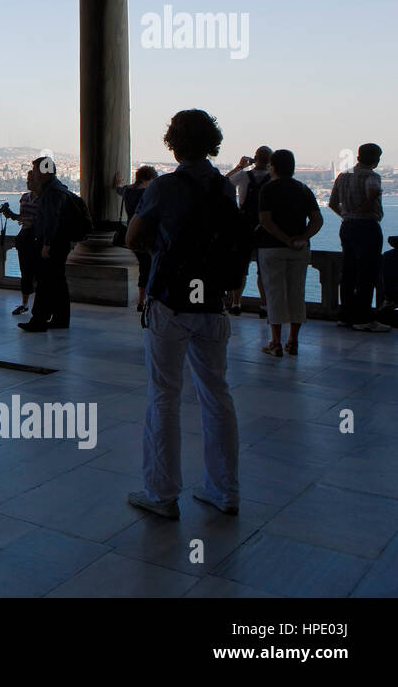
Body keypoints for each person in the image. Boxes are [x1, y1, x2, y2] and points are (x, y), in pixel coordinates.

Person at [126, 109, 240, 519]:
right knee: (217, 395)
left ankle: (162, 493)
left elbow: (132, 236)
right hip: (212, 301)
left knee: (164, 396)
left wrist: (160, 253)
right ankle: (224, 490)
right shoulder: (225, 189)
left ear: (172, 142)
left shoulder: (164, 187)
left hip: (170, 300)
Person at [256, 149, 323, 356]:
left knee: (274, 293)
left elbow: (265, 220)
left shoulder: (268, 189)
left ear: (272, 167)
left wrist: (284, 239)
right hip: (299, 249)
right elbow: (317, 219)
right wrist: (302, 238)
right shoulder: (303, 189)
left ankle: (275, 342)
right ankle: (293, 340)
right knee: (297, 293)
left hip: (271, 248)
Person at [329, 143, 388, 332]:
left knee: (348, 273)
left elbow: (331, 203)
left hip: (347, 227)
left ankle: (346, 315)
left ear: (358, 157)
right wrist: (360, 211)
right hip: (367, 227)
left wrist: (348, 216)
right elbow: (371, 198)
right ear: (376, 159)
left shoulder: (343, 176)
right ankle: (363, 318)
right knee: (367, 273)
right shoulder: (372, 177)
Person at [19, 159, 70, 332]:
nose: (33, 173)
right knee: (57, 282)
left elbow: (51, 220)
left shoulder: (51, 192)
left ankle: (38, 320)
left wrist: (47, 244)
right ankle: (60, 318)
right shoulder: (59, 188)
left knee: (44, 282)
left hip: (51, 243)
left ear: (44, 172)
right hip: (60, 242)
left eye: (35, 170)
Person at [225, 146, 272, 316]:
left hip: (243, 226)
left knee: (241, 267)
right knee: (264, 269)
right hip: (265, 227)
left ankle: (236, 303)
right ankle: (264, 305)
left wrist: (239, 167)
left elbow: (224, 183)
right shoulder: (273, 179)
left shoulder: (244, 176)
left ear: (254, 158)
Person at [114, 166, 159, 312]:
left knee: (144, 267)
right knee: (149, 267)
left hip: (132, 234)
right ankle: (145, 300)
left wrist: (119, 183)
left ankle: (142, 300)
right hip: (147, 235)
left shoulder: (127, 190)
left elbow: (119, 189)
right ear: (149, 179)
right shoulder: (149, 193)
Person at [0, 184, 37, 315]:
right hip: (25, 237)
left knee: (37, 272)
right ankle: (25, 303)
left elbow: (43, 219)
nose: (28, 181)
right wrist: (11, 215)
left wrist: (28, 221)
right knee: (25, 272)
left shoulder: (44, 198)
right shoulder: (25, 197)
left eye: (30, 178)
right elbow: (22, 218)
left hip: (37, 238)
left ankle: (38, 305)